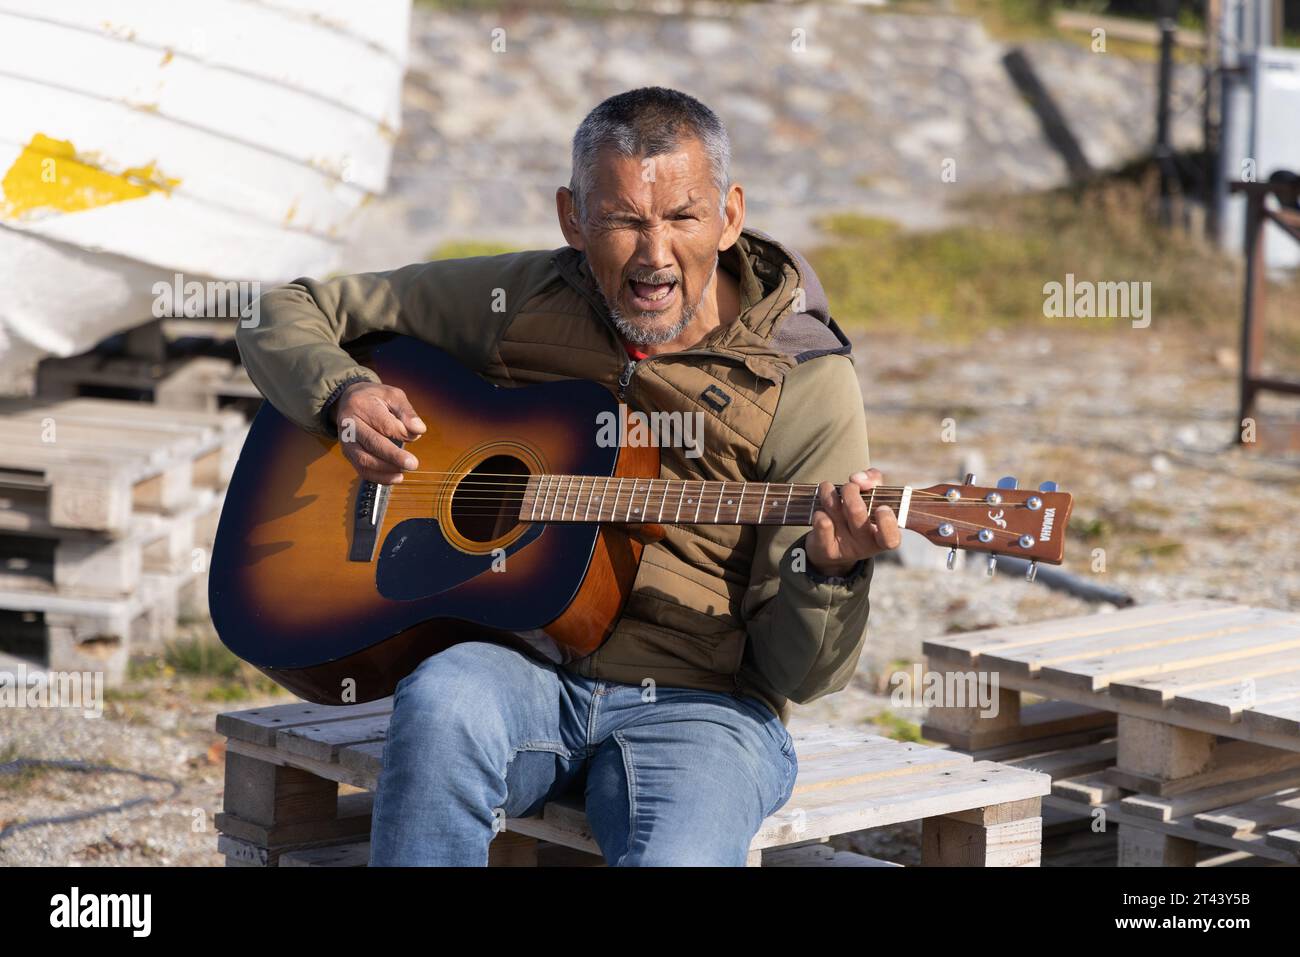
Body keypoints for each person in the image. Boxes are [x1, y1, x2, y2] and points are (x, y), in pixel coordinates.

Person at [236, 86, 901, 866]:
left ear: (729, 216)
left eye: (682, 217)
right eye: (623, 221)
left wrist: (828, 570)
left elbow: (804, 673)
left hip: (704, 709)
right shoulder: (522, 298)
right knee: (443, 703)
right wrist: (343, 395)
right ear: (573, 220)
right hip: (519, 667)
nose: (654, 256)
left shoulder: (806, 381)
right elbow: (284, 310)